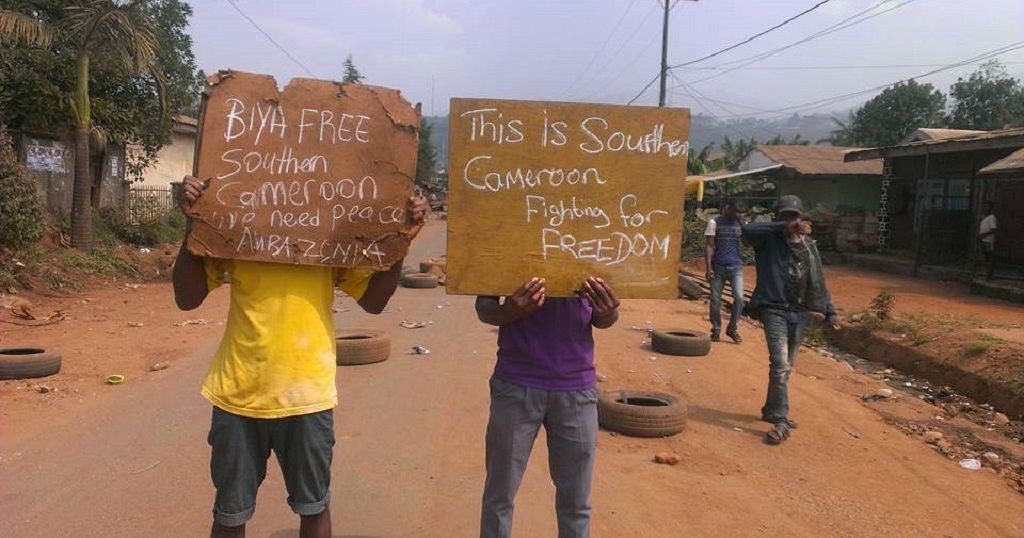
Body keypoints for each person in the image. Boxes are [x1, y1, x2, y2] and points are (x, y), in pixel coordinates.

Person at [172, 175, 428, 538]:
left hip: (308, 397)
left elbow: (373, 301)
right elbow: (187, 296)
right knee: (230, 514)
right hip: (237, 394)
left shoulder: (330, 231)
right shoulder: (240, 223)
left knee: (313, 507)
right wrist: (193, 225)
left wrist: (400, 242)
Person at [476, 276, 620, 538]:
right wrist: (509, 310)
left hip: (576, 388)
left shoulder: (593, 242)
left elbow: (605, 319)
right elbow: (484, 308)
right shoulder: (505, 244)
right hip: (516, 384)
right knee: (500, 495)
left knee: (576, 503)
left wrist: (607, 311)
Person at [742, 195, 840, 445]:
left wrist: (830, 310)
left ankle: (772, 410)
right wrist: (782, 227)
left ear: (802, 218)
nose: (790, 221)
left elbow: (818, 280)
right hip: (773, 309)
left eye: (793, 217)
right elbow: (746, 229)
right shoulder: (767, 240)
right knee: (780, 363)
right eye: (784, 217)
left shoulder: (809, 246)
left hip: (799, 312)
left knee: (787, 367)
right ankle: (782, 419)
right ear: (778, 219)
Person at [704, 198, 747, 343]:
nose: (737, 215)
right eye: (736, 212)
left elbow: (747, 245)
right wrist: (708, 268)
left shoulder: (741, 224)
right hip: (718, 267)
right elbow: (709, 246)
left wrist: (744, 228)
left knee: (740, 298)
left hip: (736, 267)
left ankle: (732, 329)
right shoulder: (714, 223)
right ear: (728, 208)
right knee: (715, 301)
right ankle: (716, 329)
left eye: (740, 213)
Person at [978, 201, 997, 280]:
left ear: (991, 208)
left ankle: (989, 275)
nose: (985, 208)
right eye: (984, 206)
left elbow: (993, 229)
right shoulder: (984, 217)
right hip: (983, 240)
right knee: (985, 258)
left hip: (988, 240)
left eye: (987, 206)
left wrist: (984, 235)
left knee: (989, 257)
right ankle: (987, 274)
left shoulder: (992, 217)